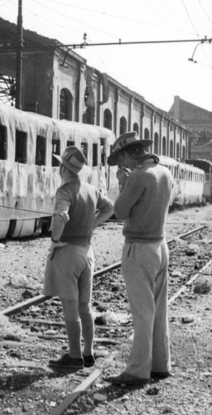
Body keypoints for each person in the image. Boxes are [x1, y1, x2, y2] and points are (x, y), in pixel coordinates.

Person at [106, 132, 174, 386]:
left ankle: (137, 371)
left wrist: (123, 185)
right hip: (160, 245)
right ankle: (160, 364)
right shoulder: (164, 172)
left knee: (142, 312)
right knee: (158, 309)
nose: (122, 164)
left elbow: (120, 212)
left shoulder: (138, 176)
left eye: (121, 158)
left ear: (127, 153)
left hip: (139, 248)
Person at [43, 146, 114, 370]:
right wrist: (92, 224)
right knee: (85, 306)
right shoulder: (91, 190)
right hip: (87, 253)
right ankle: (88, 353)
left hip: (68, 253)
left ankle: (74, 356)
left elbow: (61, 216)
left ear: (63, 167)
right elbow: (110, 207)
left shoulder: (64, 191)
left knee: (70, 308)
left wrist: (55, 241)